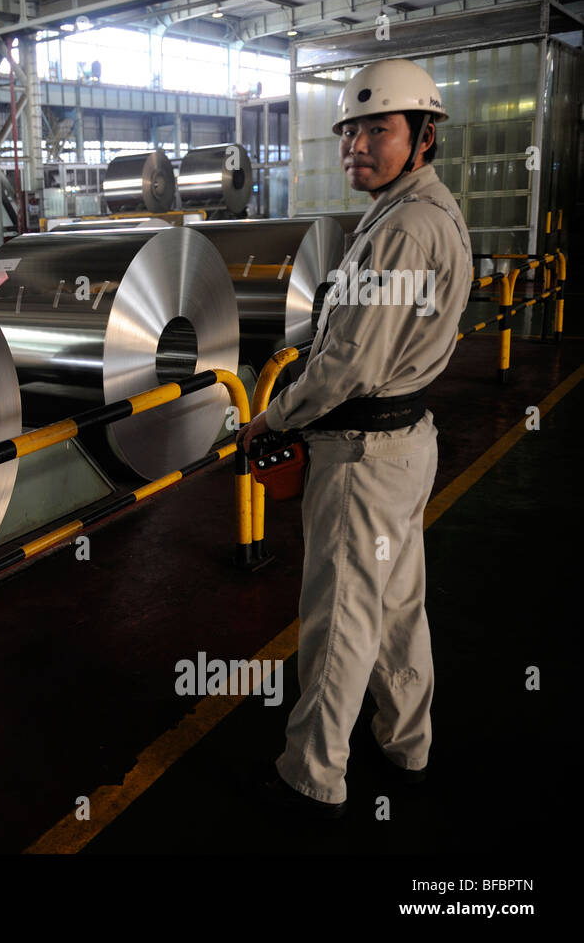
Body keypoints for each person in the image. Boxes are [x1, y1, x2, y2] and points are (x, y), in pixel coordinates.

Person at [238, 59, 472, 818]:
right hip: (405, 441)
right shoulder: (422, 212)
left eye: (380, 129)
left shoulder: (403, 230)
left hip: (365, 459)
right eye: (350, 133)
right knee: (398, 606)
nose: (358, 147)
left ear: (423, 137)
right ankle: (408, 743)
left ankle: (313, 775)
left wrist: (273, 418)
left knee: (340, 616)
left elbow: (348, 362)